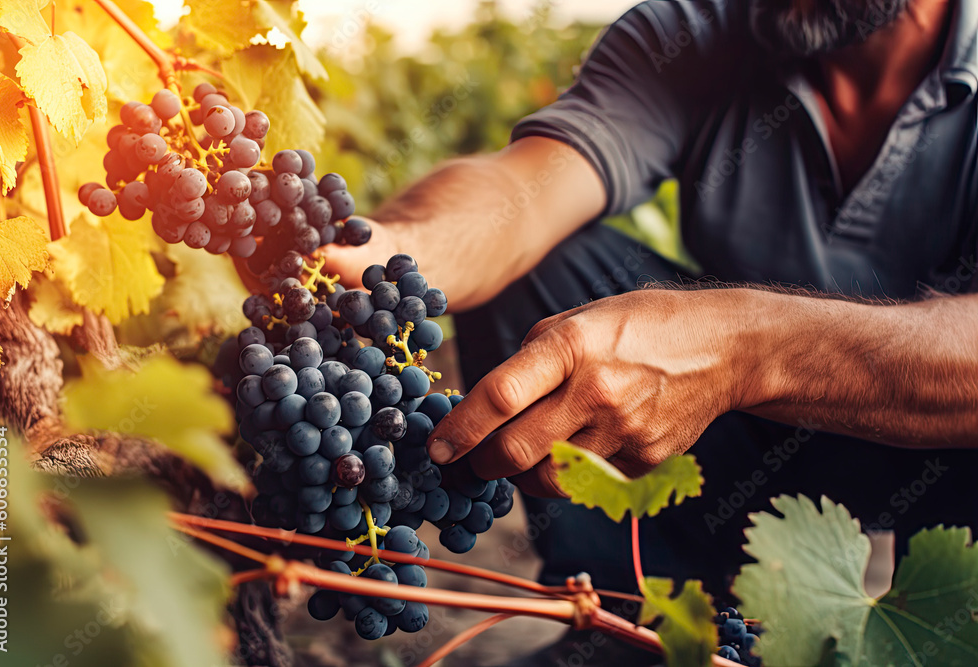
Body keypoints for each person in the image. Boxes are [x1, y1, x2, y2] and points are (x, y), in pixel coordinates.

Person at [329, 0, 976, 660]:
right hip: (737, 439)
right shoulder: (705, 30)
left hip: (935, 448)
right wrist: (393, 254)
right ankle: (637, 626)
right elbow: (528, 187)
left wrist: (739, 347)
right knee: (544, 272)